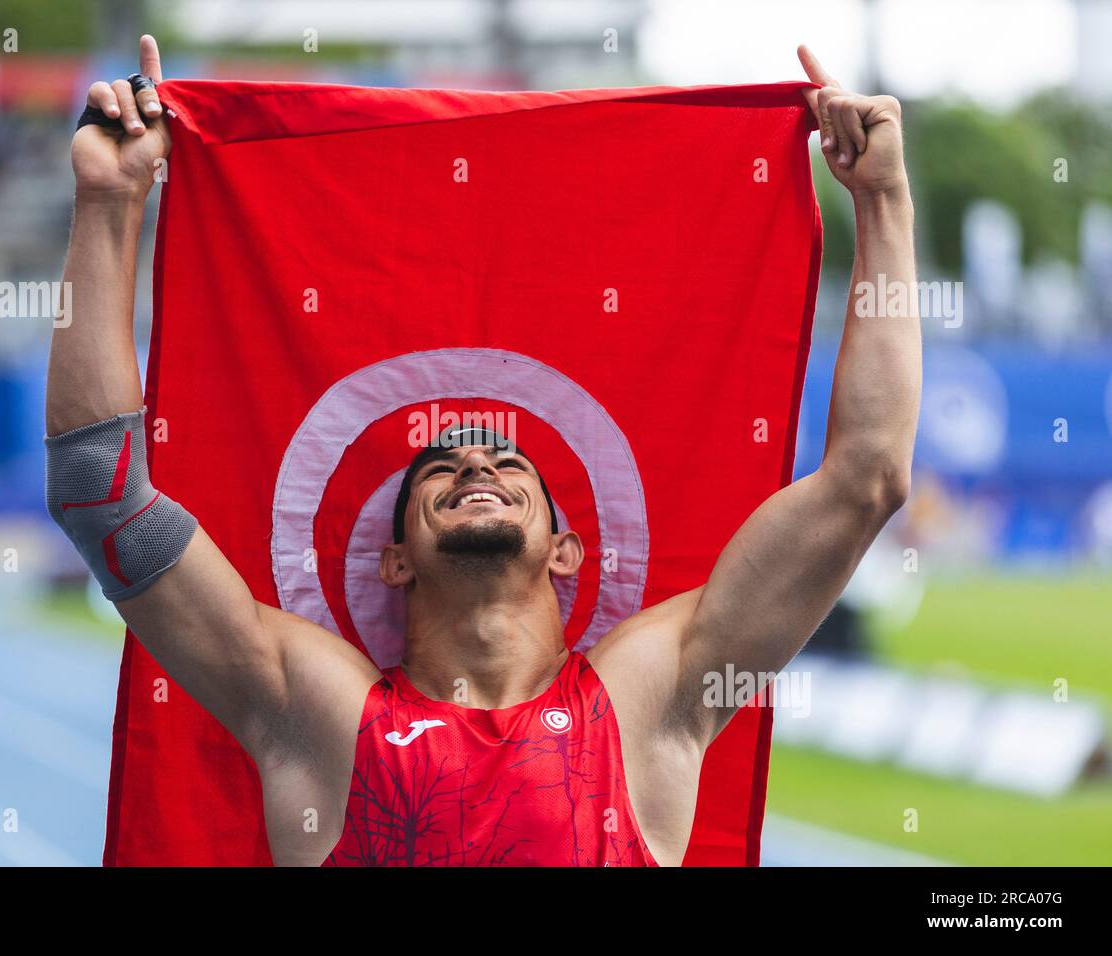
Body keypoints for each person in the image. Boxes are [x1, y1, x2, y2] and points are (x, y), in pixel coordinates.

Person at [45, 36, 920, 866]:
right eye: (440, 468)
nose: (475, 465)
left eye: (510, 467)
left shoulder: (653, 702)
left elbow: (867, 479)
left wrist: (882, 199)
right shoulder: (313, 712)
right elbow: (100, 493)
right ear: (392, 560)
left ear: (568, 548)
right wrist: (109, 204)